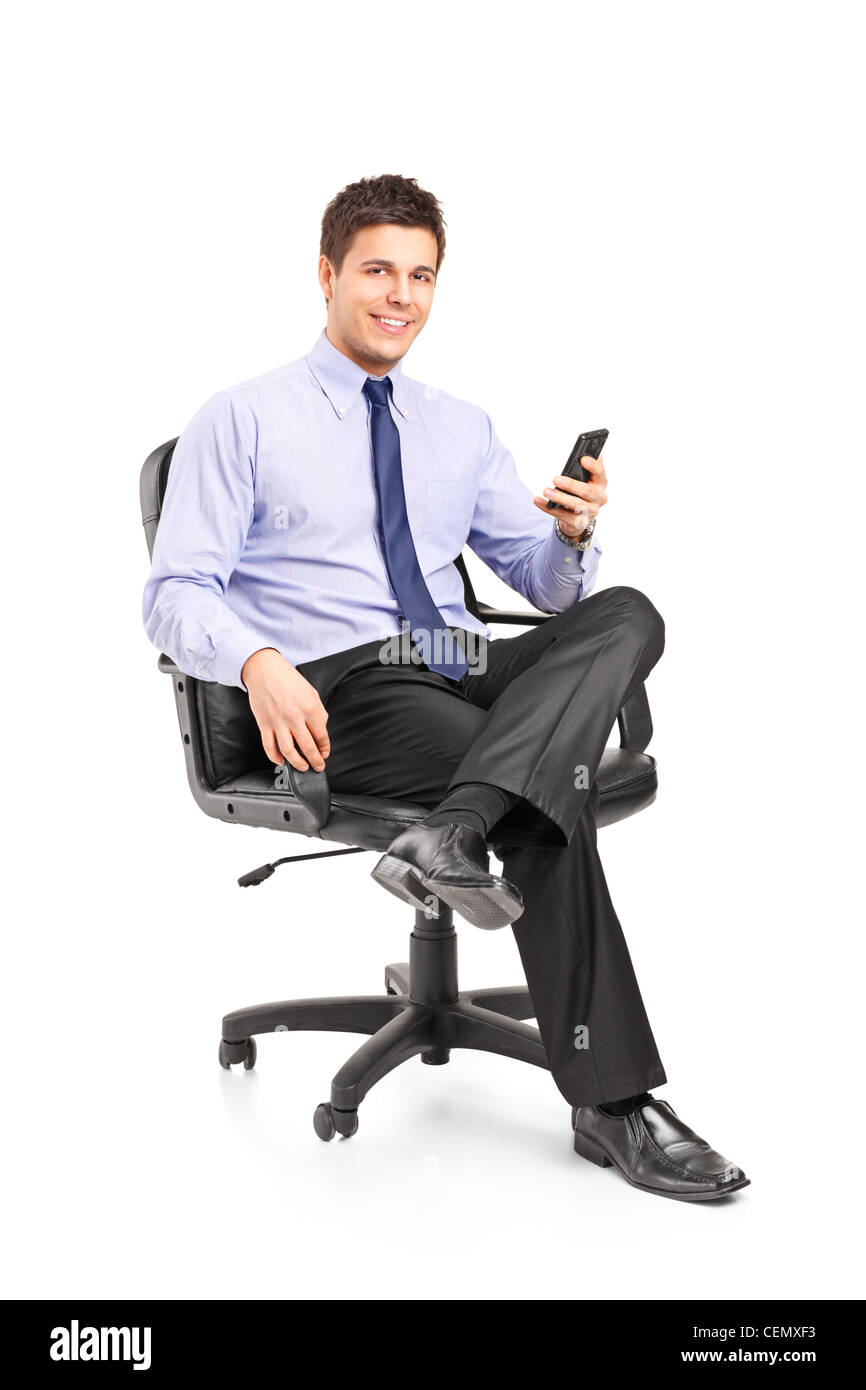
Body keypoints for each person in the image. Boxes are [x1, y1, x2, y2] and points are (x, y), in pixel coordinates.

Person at [143, 173, 749, 1203]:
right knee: (541, 795)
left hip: (463, 666)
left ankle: (457, 824)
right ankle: (612, 1104)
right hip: (338, 688)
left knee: (625, 610)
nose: (400, 296)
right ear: (327, 274)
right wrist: (256, 661)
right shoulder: (239, 419)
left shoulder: (456, 426)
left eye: (420, 275)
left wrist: (567, 533)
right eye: (377, 269)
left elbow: (546, 589)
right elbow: (173, 594)